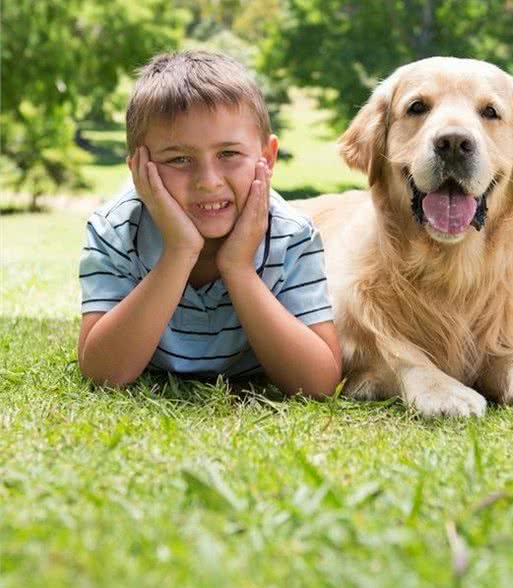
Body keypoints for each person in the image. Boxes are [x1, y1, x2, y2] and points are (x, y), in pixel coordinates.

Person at [78, 50, 342, 396]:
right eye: (180, 159)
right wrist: (179, 251)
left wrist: (238, 267)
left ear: (267, 158)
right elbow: (102, 372)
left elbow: (319, 384)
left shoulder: (292, 236)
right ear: (140, 170)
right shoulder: (115, 230)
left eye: (228, 154)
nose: (208, 181)